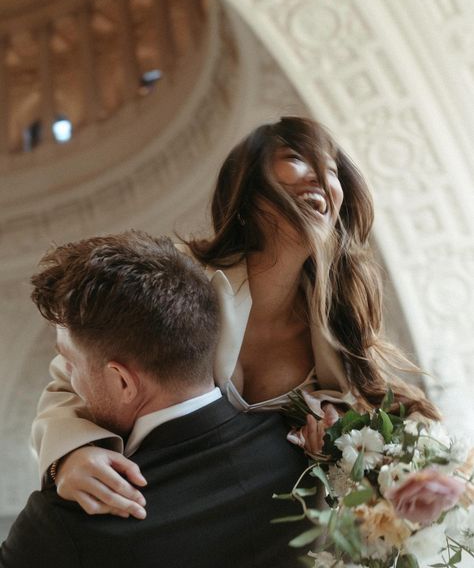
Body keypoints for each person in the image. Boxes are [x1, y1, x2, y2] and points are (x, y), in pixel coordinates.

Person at [31, 116, 439, 519]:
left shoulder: (339, 313)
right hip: (149, 507)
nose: (319, 176)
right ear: (246, 187)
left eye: (331, 170)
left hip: (258, 528)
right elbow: (76, 366)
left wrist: (335, 420)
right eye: (297, 157)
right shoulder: (180, 274)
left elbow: (363, 406)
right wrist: (70, 455)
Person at [0, 232, 309, 568]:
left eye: (70, 362)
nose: (68, 378)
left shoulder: (67, 522)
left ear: (123, 382)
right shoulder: (306, 457)